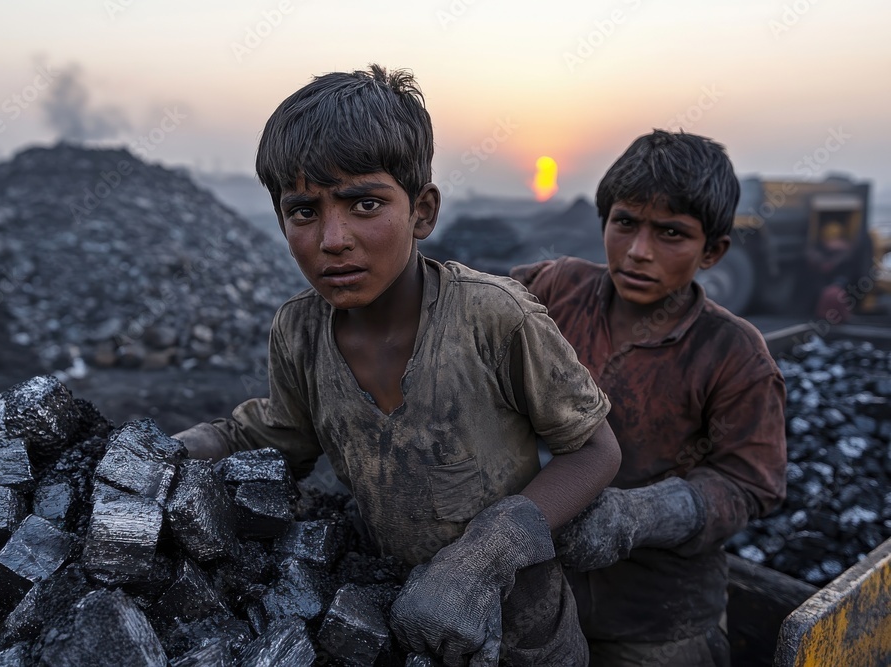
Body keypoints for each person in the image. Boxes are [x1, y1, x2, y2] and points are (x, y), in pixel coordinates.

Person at [173, 65, 621, 666]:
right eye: (304, 211)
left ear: (422, 212)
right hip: (395, 622)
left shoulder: (494, 317)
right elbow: (285, 436)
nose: (333, 238)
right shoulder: (300, 331)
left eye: (364, 203)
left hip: (525, 631)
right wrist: (174, 449)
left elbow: (595, 451)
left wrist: (486, 554)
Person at [511, 130, 787, 667]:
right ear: (604, 220)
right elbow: (476, 325)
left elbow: (749, 482)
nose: (639, 252)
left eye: (671, 233)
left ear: (713, 251)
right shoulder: (554, 289)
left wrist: (637, 515)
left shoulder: (735, 354)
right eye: (625, 223)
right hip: (540, 598)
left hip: (657, 622)